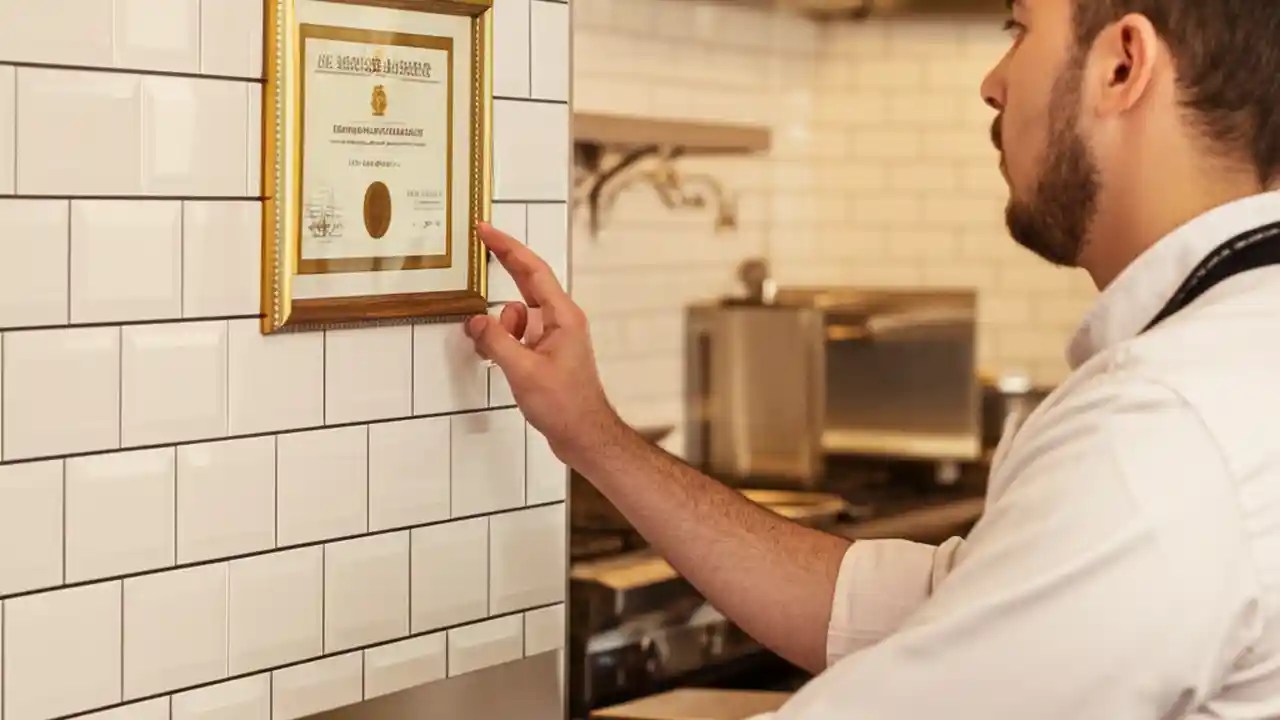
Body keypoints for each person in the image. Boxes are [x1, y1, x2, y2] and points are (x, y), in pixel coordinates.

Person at [467, 0, 1280, 716]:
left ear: (1123, 65)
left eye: (1019, 29)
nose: (993, 82)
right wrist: (594, 435)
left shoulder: (1160, 428)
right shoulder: (1237, 353)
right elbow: (929, 613)